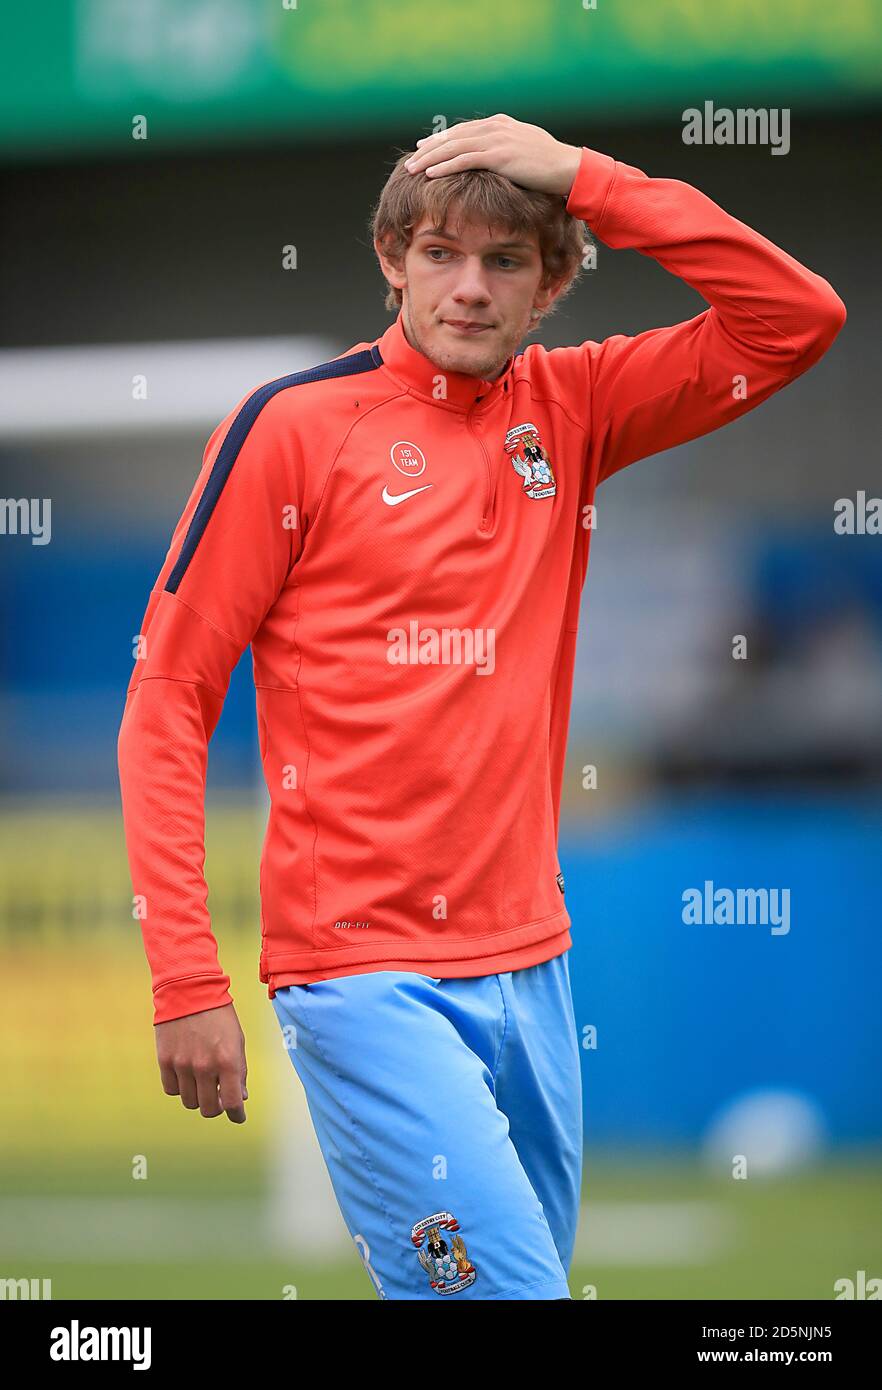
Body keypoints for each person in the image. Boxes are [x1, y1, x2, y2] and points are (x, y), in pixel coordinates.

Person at [117, 114, 846, 1300]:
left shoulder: (577, 406)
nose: (469, 287)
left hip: (532, 965)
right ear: (391, 258)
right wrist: (184, 975)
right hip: (360, 975)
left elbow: (796, 318)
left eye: (506, 261)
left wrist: (592, 179)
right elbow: (168, 695)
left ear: (553, 281)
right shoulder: (294, 428)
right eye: (442, 253)